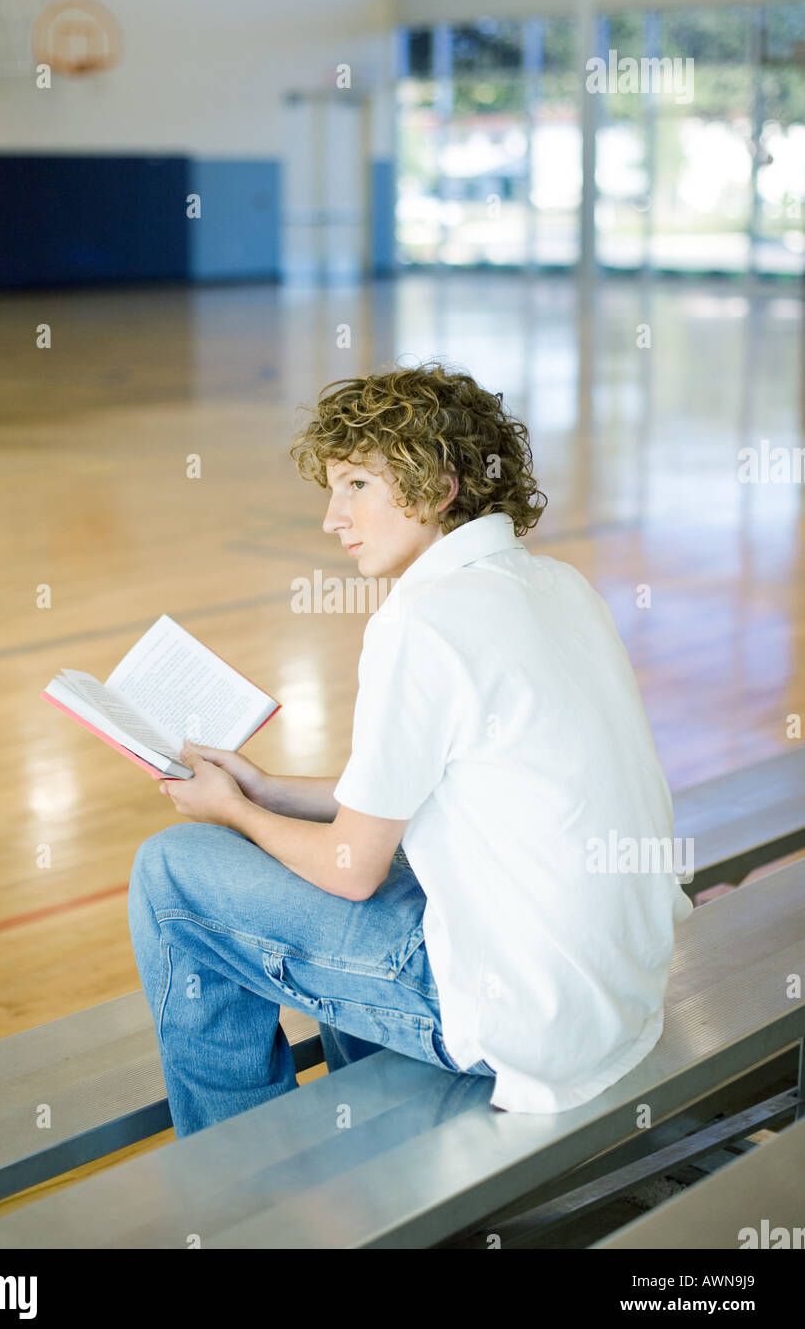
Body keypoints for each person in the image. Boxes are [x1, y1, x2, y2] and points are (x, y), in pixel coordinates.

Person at [128, 359, 694, 1139]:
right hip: (615, 1000)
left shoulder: (420, 621)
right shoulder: (555, 584)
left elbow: (349, 871)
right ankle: (358, 1133)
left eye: (356, 484)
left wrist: (227, 813)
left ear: (438, 486)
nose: (333, 517)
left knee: (173, 870)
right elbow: (435, 783)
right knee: (371, 854)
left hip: (527, 1025)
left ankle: (234, 1186)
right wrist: (262, 789)